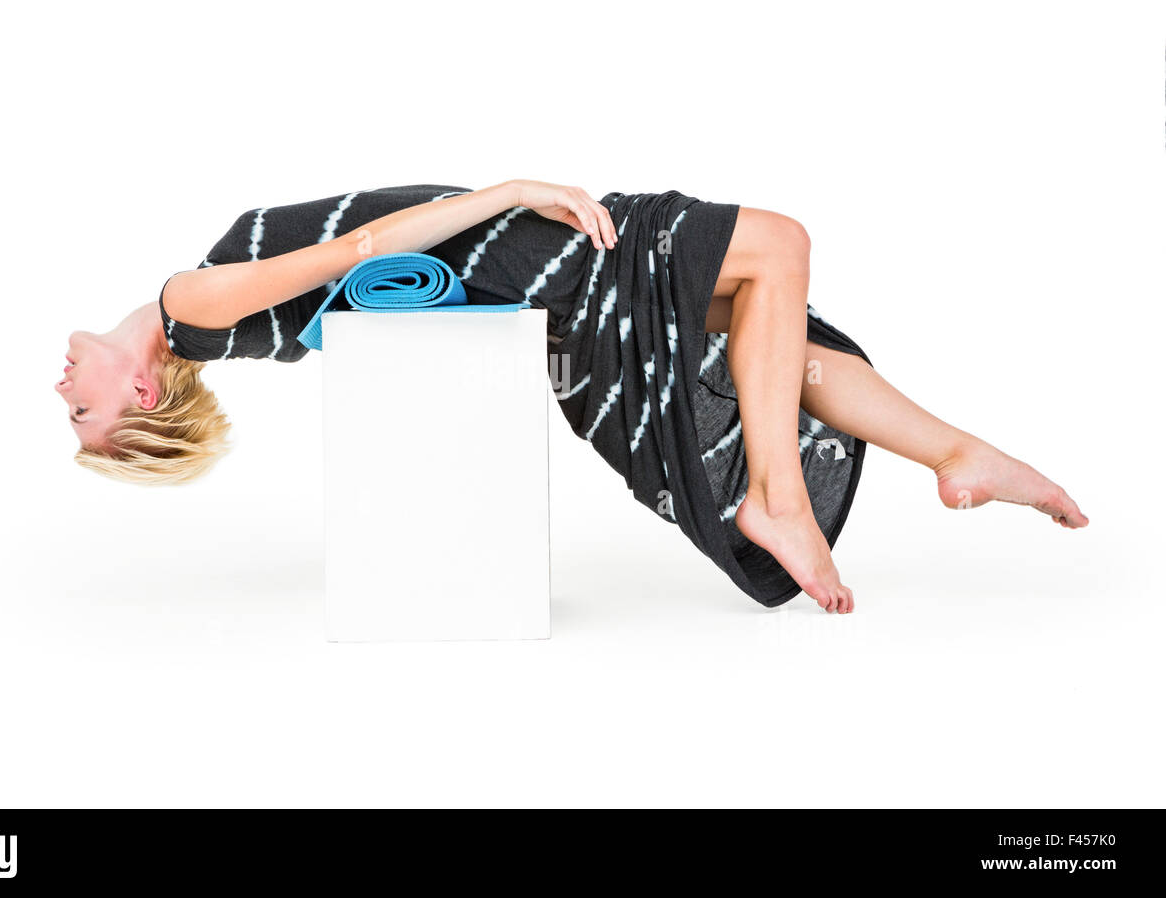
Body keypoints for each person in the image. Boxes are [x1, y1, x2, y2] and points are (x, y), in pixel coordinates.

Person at [56, 179, 1087, 613]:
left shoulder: (200, 319)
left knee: (766, 318)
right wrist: (506, 190)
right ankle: (779, 493)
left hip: (506, 264)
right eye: (83, 411)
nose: (64, 388)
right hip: (511, 256)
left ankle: (957, 453)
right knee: (775, 248)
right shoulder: (185, 304)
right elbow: (357, 249)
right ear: (143, 387)